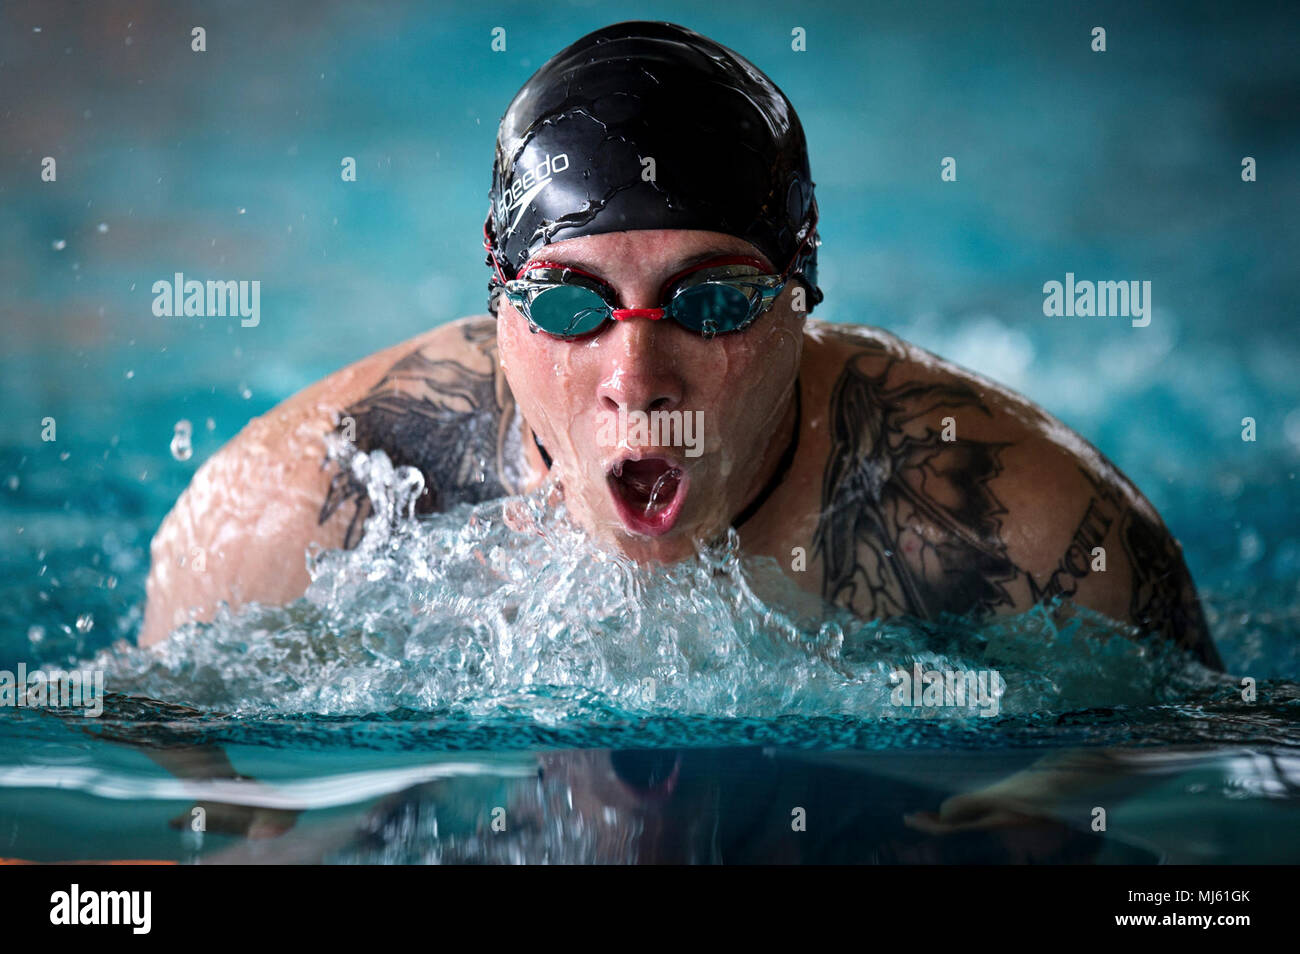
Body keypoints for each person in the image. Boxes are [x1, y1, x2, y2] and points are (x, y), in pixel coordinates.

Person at [139, 21, 1223, 670]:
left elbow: (1180, 823)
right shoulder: (284, 521)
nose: (634, 382)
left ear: (801, 286)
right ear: (501, 296)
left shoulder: (1031, 538)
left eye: (709, 306)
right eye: (570, 306)